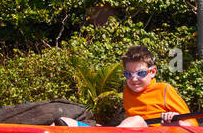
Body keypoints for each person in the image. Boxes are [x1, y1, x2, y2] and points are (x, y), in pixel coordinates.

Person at [58, 45, 195, 127]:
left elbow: (193, 123)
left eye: (140, 73)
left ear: (152, 72)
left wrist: (177, 120)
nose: (134, 79)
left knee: (137, 120)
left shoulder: (164, 90)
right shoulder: (127, 91)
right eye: (128, 74)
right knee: (64, 121)